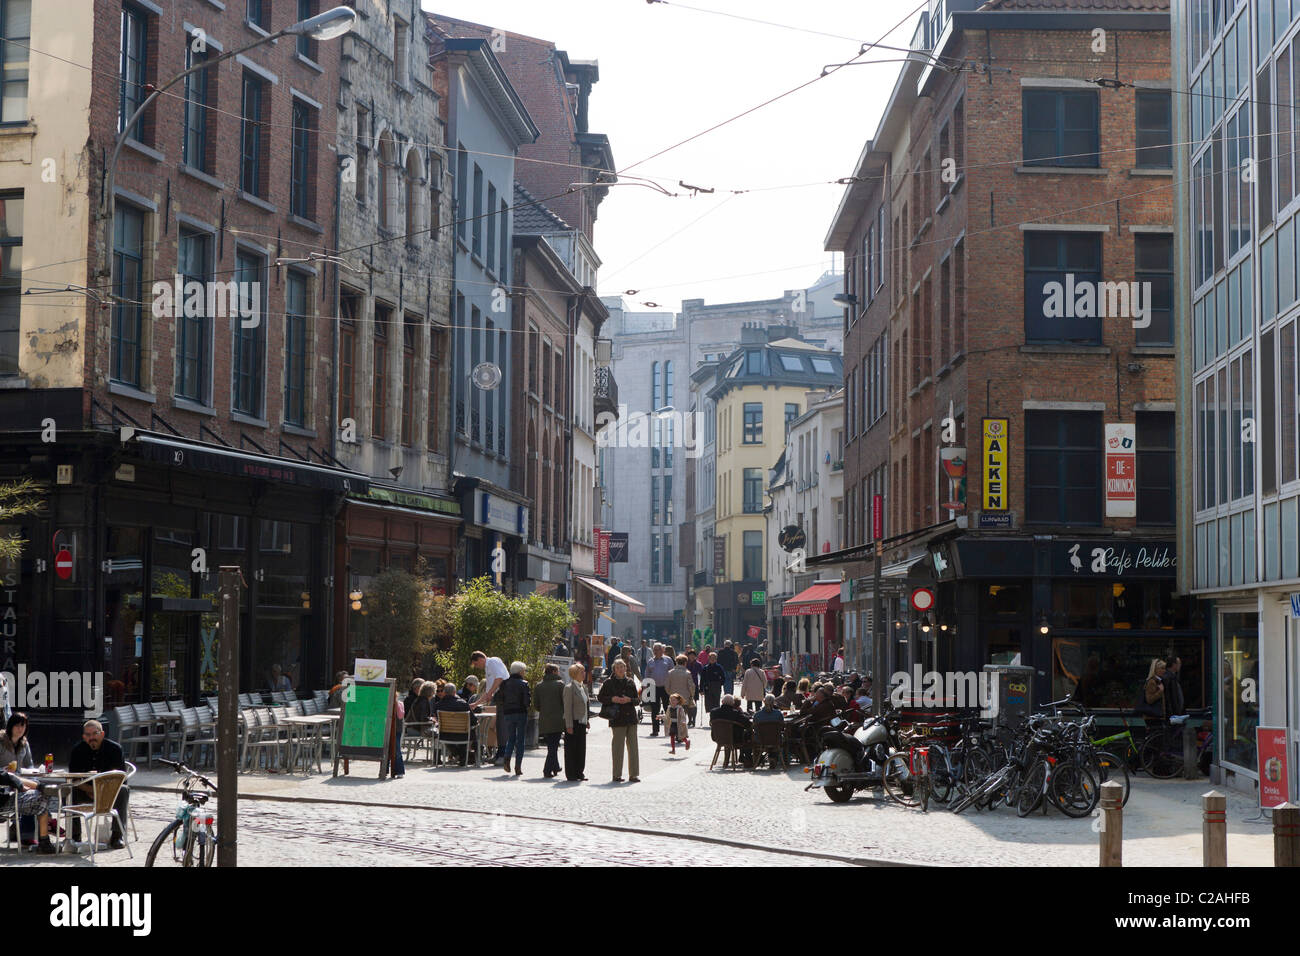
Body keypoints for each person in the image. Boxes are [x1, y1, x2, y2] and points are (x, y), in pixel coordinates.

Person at [67, 719, 129, 849]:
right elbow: (73, 779)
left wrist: (101, 792)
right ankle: (74, 835)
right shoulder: (77, 750)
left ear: (102, 734)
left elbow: (120, 778)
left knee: (123, 790)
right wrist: (90, 790)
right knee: (68, 791)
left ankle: (117, 835)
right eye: (88, 735)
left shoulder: (115, 749)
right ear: (84, 736)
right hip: (85, 790)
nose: (91, 738)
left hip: (109, 793)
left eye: (95, 734)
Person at [597, 658, 640, 783]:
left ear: (626, 669)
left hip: (631, 718)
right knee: (617, 748)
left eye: (623, 667)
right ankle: (616, 775)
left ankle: (634, 774)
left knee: (633, 747)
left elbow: (637, 700)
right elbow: (600, 697)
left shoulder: (630, 682)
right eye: (618, 667)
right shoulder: (608, 683)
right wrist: (612, 699)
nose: (621, 669)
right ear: (614, 670)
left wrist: (629, 700)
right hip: (617, 718)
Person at [0, 762, 56, 853]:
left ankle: (43, 841)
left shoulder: (21, 747)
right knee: (42, 796)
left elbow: (8, 776)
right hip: (3, 803)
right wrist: (22, 786)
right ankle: (43, 842)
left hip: (7, 796)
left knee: (41, 797)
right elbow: (7, 776)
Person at [470, 651, 510, 765]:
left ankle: (503, 755)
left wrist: (491, 693)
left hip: (505, 693)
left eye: (476, 664)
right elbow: (487, 692)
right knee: (499, 725)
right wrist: (475, 704)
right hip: (500, 695)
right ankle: (499, 754)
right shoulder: (488, 668)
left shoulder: (493, 661)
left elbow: (500, 678)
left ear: (480, 659)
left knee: (502, 725)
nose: (477, 667)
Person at [497, 662, 531, 777]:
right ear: (520, 672)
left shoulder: (504, 683)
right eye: (524, 671)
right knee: (520, 740)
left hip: (508, 713)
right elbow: (527, 701)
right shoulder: (524, 684)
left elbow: (499, 698)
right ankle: (518, 766)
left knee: (511, 738)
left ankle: (507, 758)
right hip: (520, 713)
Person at [534, 663, 566, 779]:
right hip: (557, 720)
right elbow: (564, 703)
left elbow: (536, 705)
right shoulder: (560, 685)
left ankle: (555, 766)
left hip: (544, 720)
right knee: (553, 746)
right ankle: (547, 769)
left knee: (551, 745)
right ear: (553, 672)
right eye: (557, 671)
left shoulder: (539, 686)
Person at [432, 683, 472, 765]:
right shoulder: (463, 704)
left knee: (445, 733)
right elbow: (473, 721)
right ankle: (466, 756)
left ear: (445, 692)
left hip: (445, 735)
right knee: (472, 731)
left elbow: (436, 719)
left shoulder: (438, 705)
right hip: (463, 735)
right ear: (455, 692)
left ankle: (460, 755)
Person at [563, 663, 590, 782]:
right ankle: (571, 773)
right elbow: (567, 708)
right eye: (581, 672)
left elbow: (585, 705)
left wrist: (587, 719)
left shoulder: (584, 687)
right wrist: (569, 725)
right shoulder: (569, 688)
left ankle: (580, 772)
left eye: (584, 672)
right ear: (575, 674)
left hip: (582, 721)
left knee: (581, 749)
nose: (584, 674)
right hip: (573, 722)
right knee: (571, 749)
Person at [643, 643, 673, 737]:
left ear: (662, 650)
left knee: (667, 708)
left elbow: (672, 673)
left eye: (658, 649)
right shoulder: (650, 661)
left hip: (665, 687)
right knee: (654, 710)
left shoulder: (668, 660)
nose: (656, 651)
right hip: (653, 687)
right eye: (654, 650)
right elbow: (647, 675)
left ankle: (670, 729)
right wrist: (644, 687)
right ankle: (655, 730)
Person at [664, 655, 696, 730]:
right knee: (682, 716)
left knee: (674, 717)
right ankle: (680, 733)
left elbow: (666, 685)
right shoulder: (687, 673)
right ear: (685, 663)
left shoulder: (670, 672)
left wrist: (670, 694)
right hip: (684, 699)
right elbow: (691, 686)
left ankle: (675, 731)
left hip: (673, 698)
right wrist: (692, 695)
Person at [700, 652, 725, 724]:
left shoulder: (719, 667)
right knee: (709, 703)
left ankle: (716, 718)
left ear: (716, 659)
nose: (713, 659)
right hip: (708, 686)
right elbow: (702, 679)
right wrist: (701, 689)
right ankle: (711, 718)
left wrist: (720, 683)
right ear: (709, 659)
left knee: (716, 702)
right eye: (711, 658)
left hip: (716, 686)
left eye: (714, 658)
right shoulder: (705, 668)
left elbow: (723, 677)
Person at [1140, 659, 1168, 725]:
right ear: (1156, 669)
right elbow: (1149, 699)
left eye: (1165, 668)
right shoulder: (1152, 682)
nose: (1164, 671)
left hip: (1156, 716)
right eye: (1162, 668)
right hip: (1152, 717)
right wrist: (1160, 692)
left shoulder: (1159, 681)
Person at [685, 649, 704, 726]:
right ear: (688, 656)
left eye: (693, 656)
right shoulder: (685, 664)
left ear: (695, 656)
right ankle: (689, 719)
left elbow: (702, 675)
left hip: (695, 685)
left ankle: (694, 719)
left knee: (694, 703)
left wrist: (701, 687)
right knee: (687, 704)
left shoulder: (698, 664)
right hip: (686, 686)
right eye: (690, 656)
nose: (692, 657)